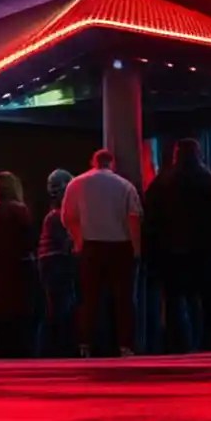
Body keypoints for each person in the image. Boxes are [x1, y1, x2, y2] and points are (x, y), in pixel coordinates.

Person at [145, 139, 211, 353]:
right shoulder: (209, 180)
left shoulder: (162, 181)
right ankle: (210, 346)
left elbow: (151, 219)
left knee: (175, 301)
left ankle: (179, 346)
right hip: (205, 251)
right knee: (208, 303)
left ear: (175, 154)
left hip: (172, 251)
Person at [62, 149, 142, 357]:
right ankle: (125, 345)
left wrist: (79, 240)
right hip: (120, 246)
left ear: (93, 162)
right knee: (123, 299)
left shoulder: (77, 183)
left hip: (90, 246)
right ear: (112, 163)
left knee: (89, 299)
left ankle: (85, 345)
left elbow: (68, 217)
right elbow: (134, 217)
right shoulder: (125, 185)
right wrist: (136, 249)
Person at [0, 171, 38, 358]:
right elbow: (30, 238)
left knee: (1, 313)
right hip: (22, 265)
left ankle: (1, 351)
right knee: (22, 312)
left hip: (0, 265)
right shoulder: (22, 209)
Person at [38, 169, 77, 358]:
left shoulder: (52, 215)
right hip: (58, 262)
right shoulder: (59, 216)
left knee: (55, 307)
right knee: (61, 308)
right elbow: (67, 244)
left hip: (49, 262)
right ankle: (59, 349)